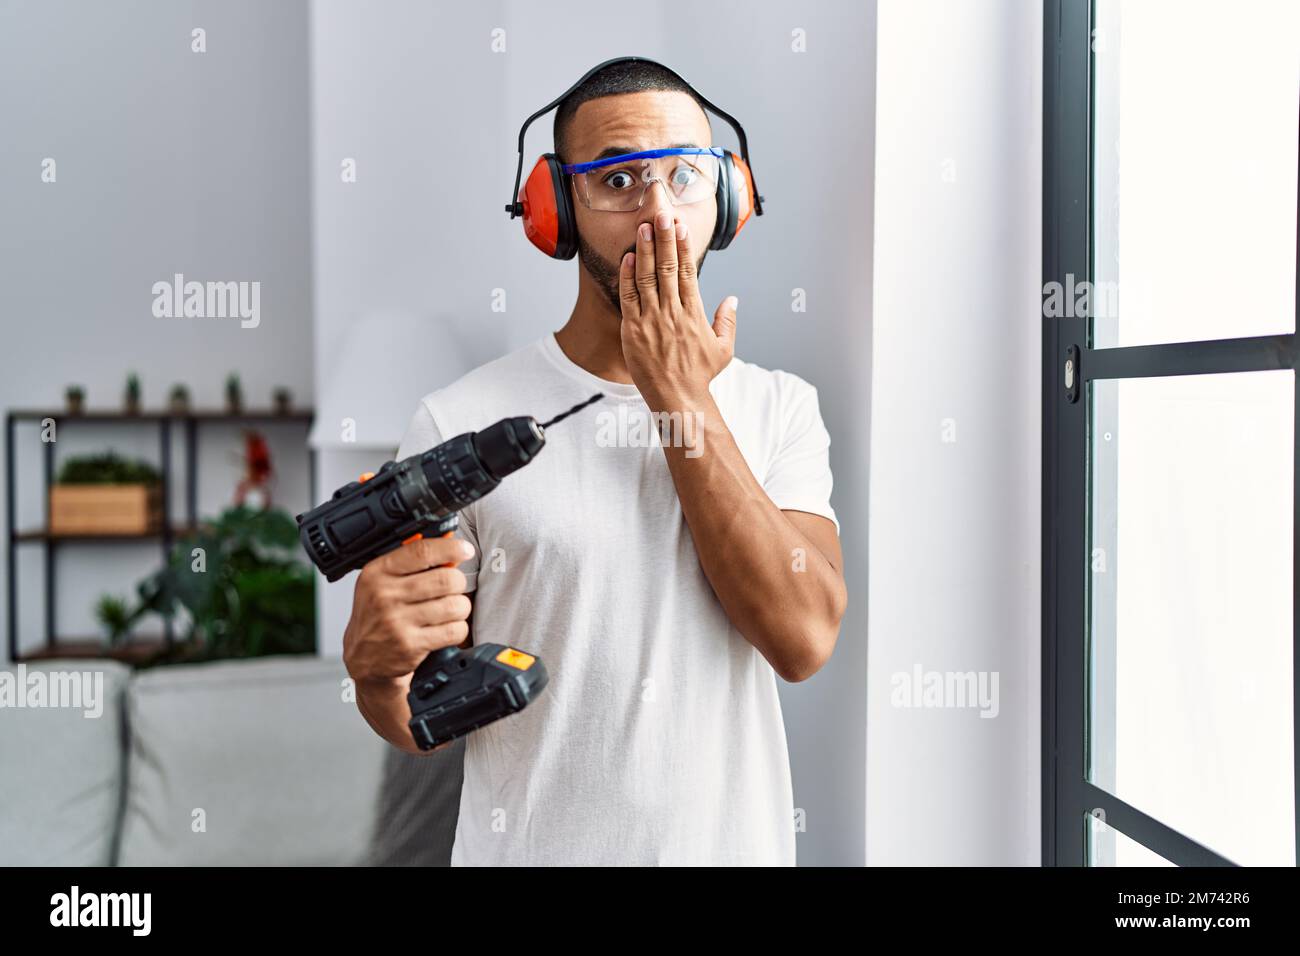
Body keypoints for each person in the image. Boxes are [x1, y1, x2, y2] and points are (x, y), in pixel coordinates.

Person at [345, 59, 847, 866]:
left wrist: (679, 395)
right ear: (557, 212)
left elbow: (803, 639)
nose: (659, 213)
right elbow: (420, 723)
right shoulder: (458, 422)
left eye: (685, 174)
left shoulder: (781, 407)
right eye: (616, 180)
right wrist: (375, 678)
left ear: (728, 197)